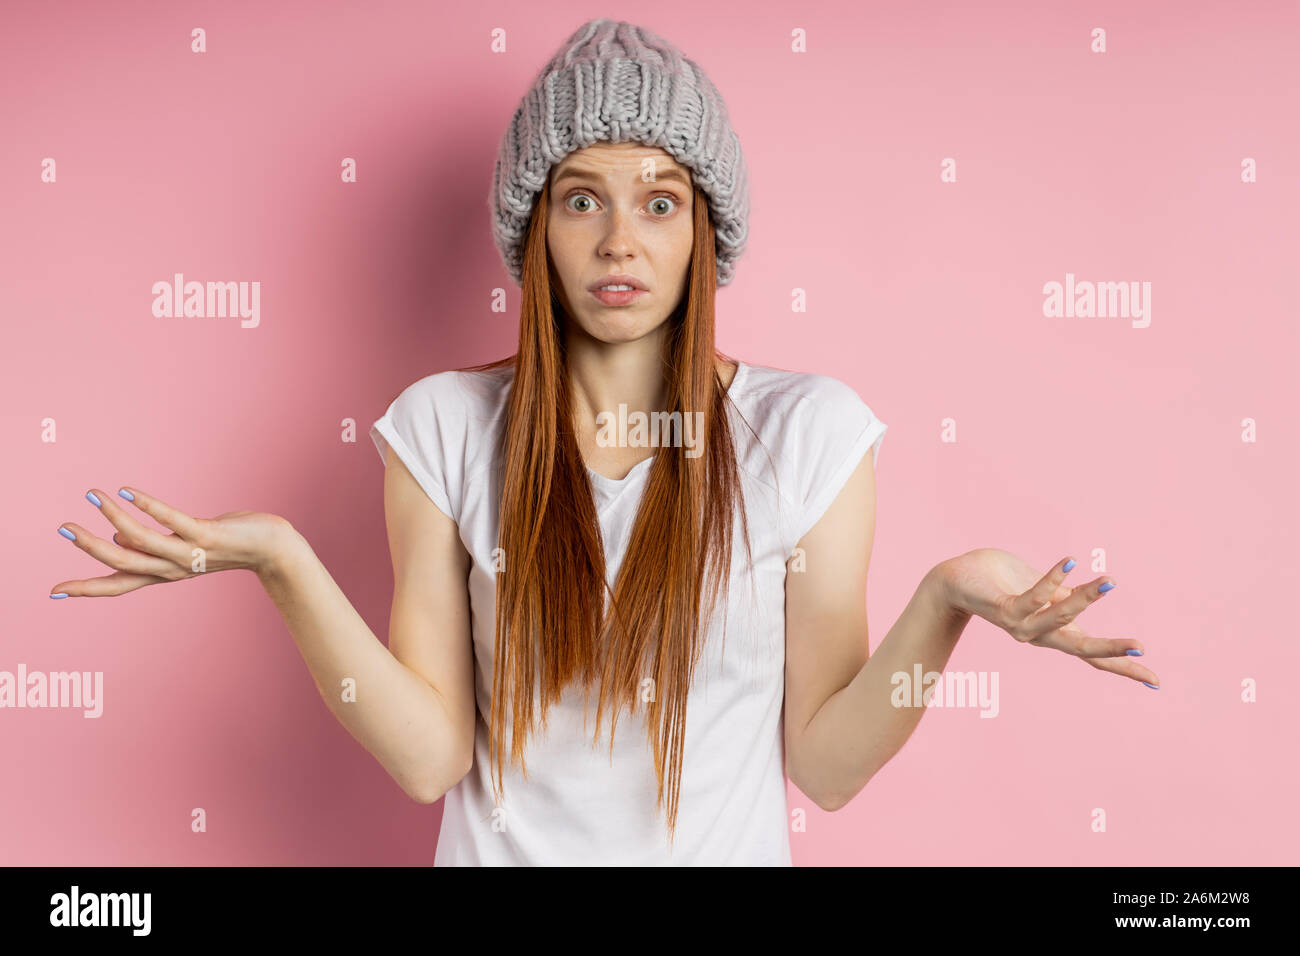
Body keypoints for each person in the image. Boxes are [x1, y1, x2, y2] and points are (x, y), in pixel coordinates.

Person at [49, 18, 1159, 866]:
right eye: (580, 201)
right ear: (533, 228)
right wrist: (281, 561)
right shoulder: (440, 428)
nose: (620, 238)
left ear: (702, 230)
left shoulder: (805, 433)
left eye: (660, 201)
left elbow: (823, 767)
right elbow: (431, 756)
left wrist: (946, 599)